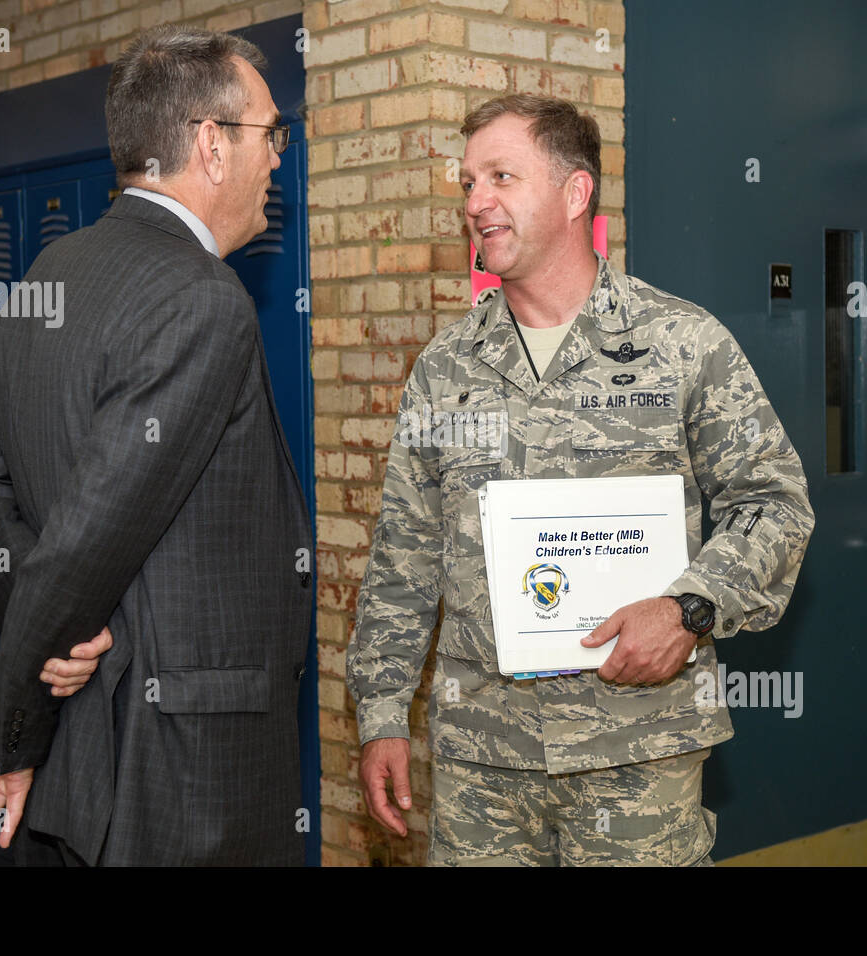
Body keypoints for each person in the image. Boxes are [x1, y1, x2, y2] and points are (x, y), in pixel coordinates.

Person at [347, 93, 816, 866]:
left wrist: (689, 608)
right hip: (481, 764)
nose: (476, 202)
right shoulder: (445, 367)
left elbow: (774, 507)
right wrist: (384, 714)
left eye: (501, 176)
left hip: (638, 752)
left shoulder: (681, 344)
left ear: (575, 193)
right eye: (467, 183)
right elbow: (405, 553)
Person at [0, 24, 313, 866]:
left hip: (90, 763)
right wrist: (15, 729)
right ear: (212, 145)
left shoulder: (46, 276)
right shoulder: (203, 301)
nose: (278, 159)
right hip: (178, 785)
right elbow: (85, 543)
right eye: (270, 133)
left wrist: (60, 648)